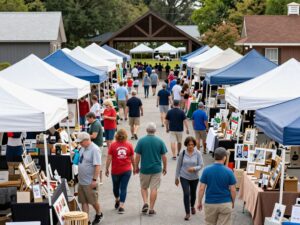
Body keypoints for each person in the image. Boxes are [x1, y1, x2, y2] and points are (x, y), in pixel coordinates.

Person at [135, 122, 167, 215]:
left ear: (146, 130)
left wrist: (136, 167)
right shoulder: (160, 141)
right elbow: (164, 156)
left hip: (144, 169)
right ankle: (151, 208)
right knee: (154, 189)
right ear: (155, 130)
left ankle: (145, 203)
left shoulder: (141, 141)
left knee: (144, 187)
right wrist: (165, 167)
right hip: (156, 169)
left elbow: (137, 156)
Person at [197, 147, 236, 225]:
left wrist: (199, 202)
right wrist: (232, 202)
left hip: (210, 203)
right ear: (224, 157)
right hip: (225, 203)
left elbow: (201, 188)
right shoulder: (229, 171)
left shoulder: (206, 170)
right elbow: (233, 190)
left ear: (214, 156)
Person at [105, 129, 135, 214]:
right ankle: (121, 205)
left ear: (116, 135)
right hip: (126, 170)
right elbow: (132, 158)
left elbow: (109, 158)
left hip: (115, 170)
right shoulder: (129, 145)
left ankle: (118, 200)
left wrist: (106, 168)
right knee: (123, 188)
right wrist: (135, 167)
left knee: (115, 187)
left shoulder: (112, 145)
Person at [76, 132, 103, 224]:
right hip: (82, 180)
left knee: (93, 201)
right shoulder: (83, 148)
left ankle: (99, 213)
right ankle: (86, 221)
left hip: (90, 181)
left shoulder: (95, 149)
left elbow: (97, 166)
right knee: (83, 201)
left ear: (87, 140)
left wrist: (94, 180)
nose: (80, 144)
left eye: (81, 142)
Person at [175, 136, 204, 221]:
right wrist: (176, 177)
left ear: (194, 145)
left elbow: (201, 165)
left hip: (194, 177)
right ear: (186, 145)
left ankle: (192, 206)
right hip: (184, 176)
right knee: (186, 194)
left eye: (192, 144)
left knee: (193, 194)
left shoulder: (198, 153)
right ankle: (187, 213)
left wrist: (194, 168)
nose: (190, 146)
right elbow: (178, 166)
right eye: (188, 145)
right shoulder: (182, 153)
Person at [86, 112, 103, 184]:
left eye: (88, 119)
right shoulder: (94, 123)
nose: (87, 120)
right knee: (97, 162)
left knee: (97, 163)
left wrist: (85, 136)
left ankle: (99, 180)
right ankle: (99, 179)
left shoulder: (95, 124)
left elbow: (94, 136)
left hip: (97, 145)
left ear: (92, 118)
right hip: (96, 145)